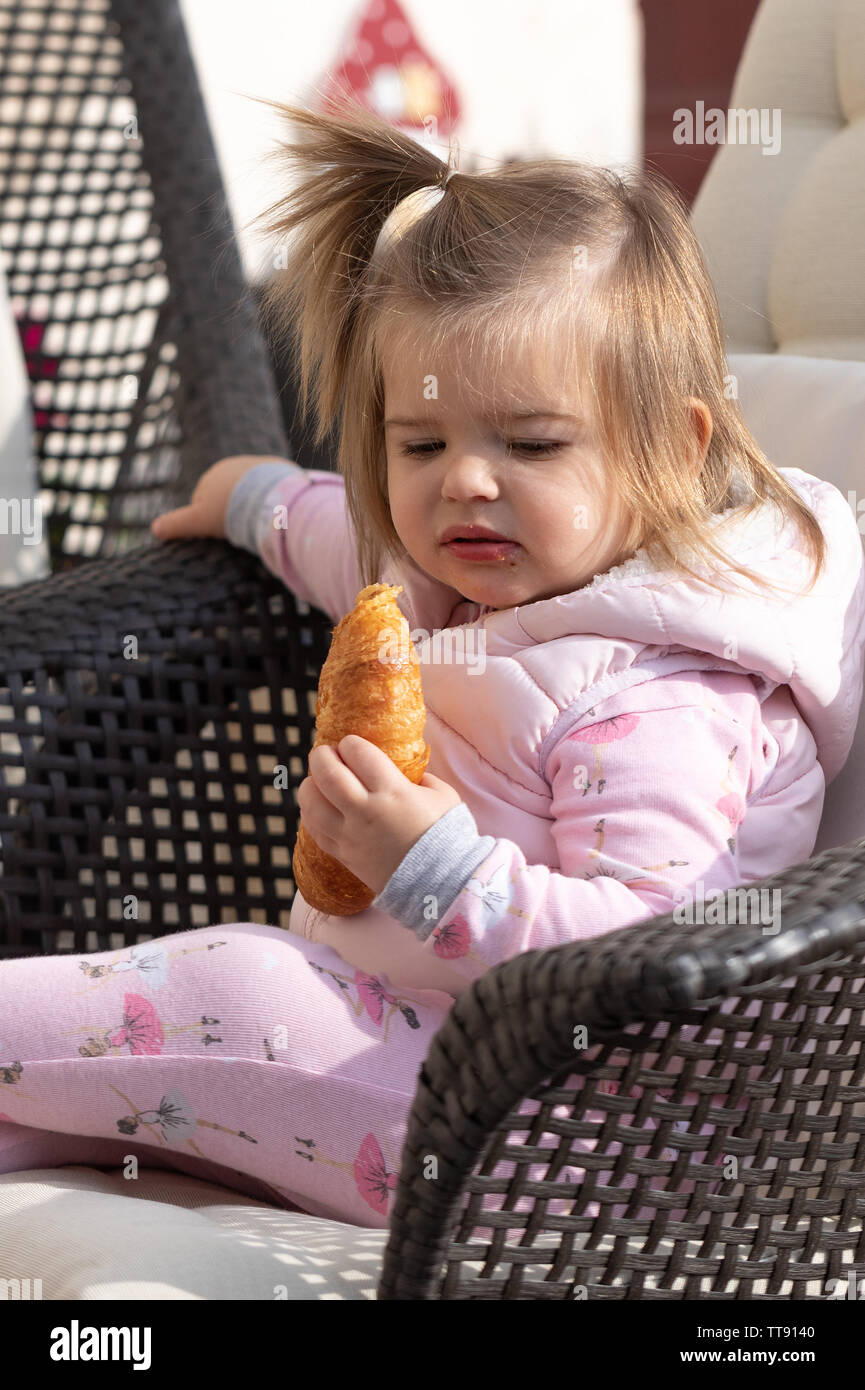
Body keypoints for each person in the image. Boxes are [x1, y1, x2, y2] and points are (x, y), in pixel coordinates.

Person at [2, 98, 864, 1235]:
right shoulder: (476, 575)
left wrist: (433, 870)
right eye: (422, 442)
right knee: (66, 1102)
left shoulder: (661, 691)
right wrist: (253, 497)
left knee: (240, 990)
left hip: (554, 1139)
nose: (464, 481)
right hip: (390, 1071)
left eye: (531, 443)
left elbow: (660, 954)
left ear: (675, 445)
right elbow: (344, 540)